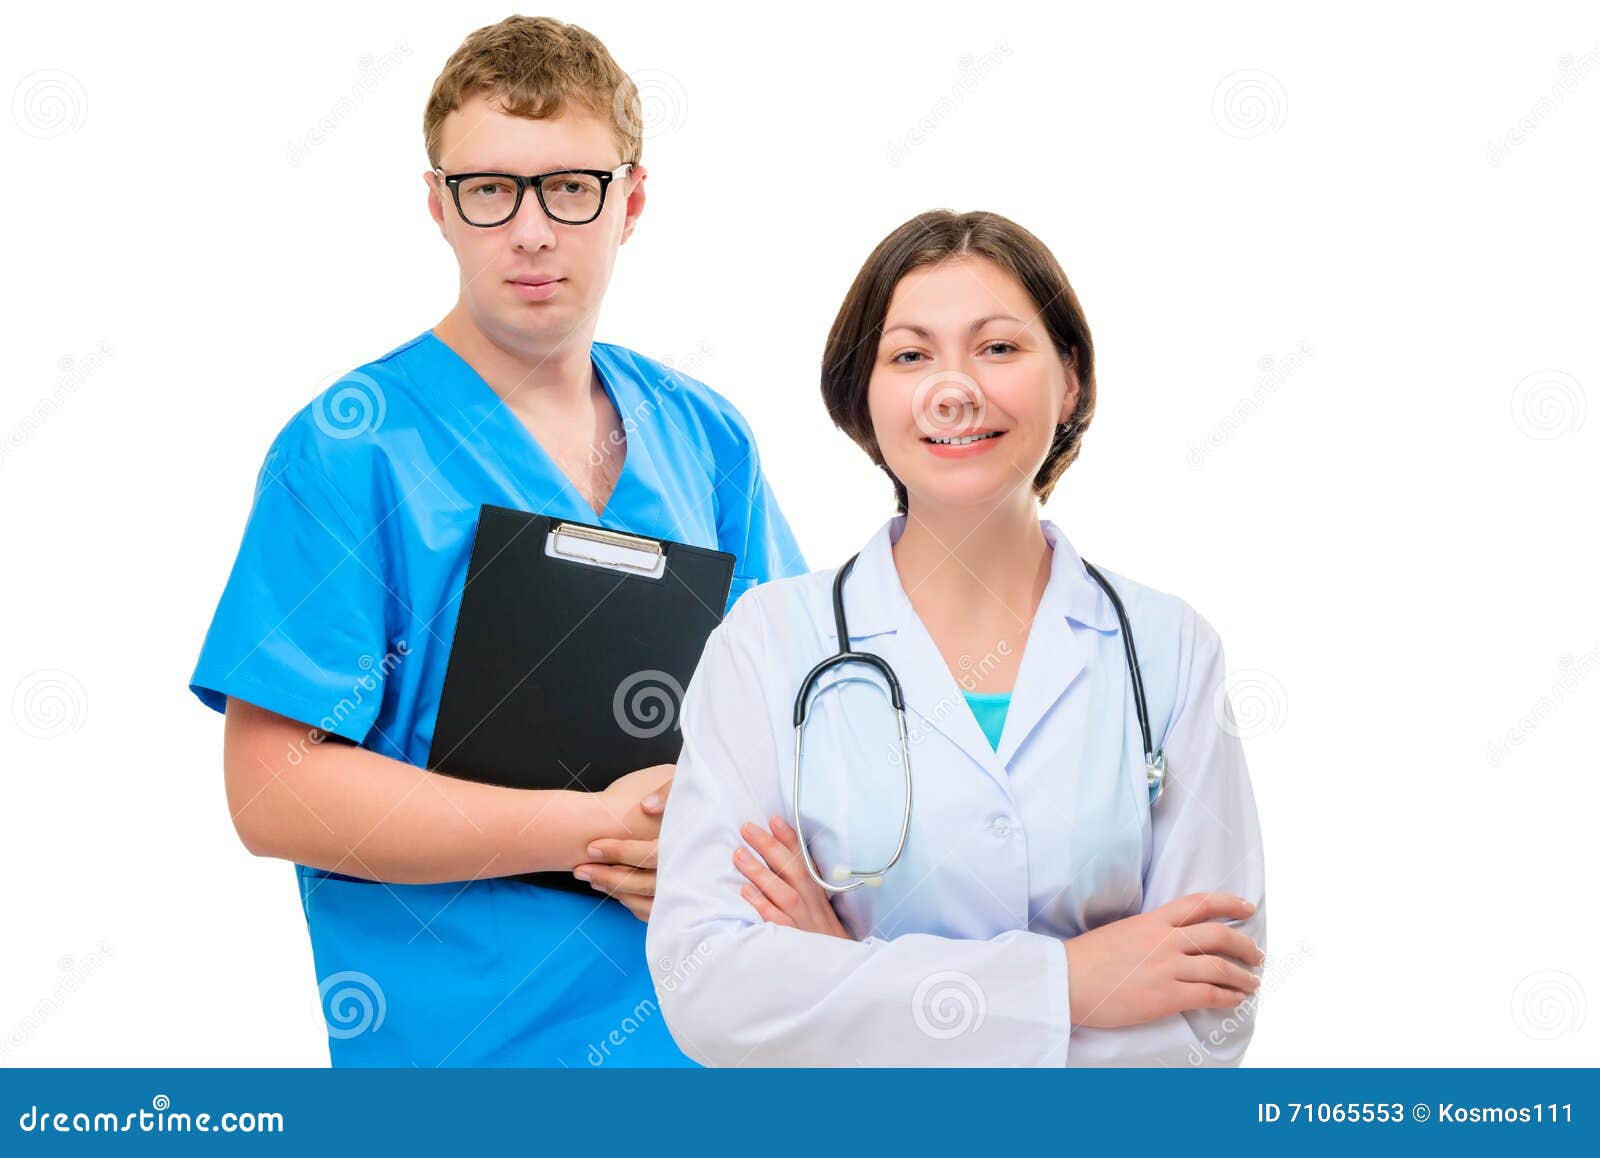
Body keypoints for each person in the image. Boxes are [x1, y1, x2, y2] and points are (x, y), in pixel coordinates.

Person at [189, 15, 805, 1067]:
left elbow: (799, 712)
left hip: (719, 1044)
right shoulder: (349, 450)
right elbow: (272, 786)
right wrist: (589, 827)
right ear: (438, 206)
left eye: (571, 187)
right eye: (489, 190)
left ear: (632, 200)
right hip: (468, 1063)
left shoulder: (705, 436)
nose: (531, 231)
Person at [646, 210, 1266, 1066]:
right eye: (910, 355)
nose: (955, 388)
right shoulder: (768, 642)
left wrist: (840, 974)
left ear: (1071, 382)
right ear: (863, 396)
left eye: (999, 348)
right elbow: (708, 988)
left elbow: (1212, 1015)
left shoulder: (1166, 649)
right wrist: (1072, 984)